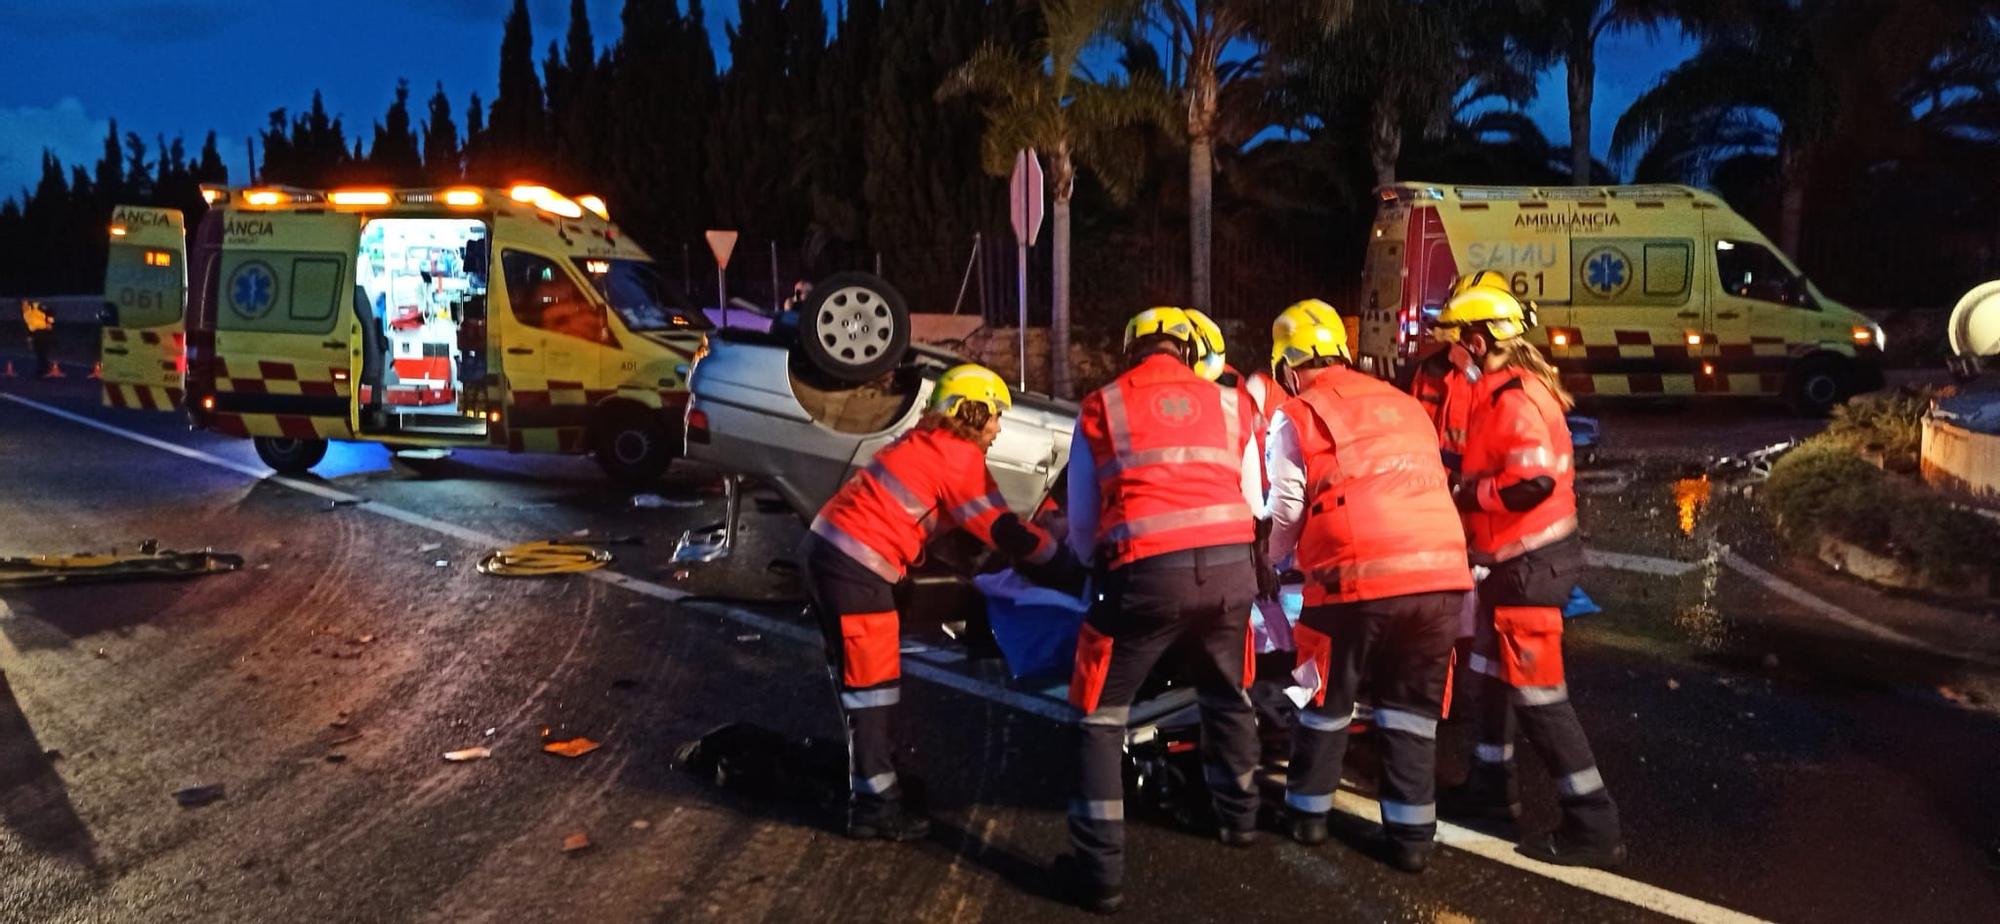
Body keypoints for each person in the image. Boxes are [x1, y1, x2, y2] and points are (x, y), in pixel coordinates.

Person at [1055, 306, 1265, 915]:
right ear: (1191, 349)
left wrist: (1097, 566)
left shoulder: (1103, 406)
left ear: (1132, 352)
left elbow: (1085, 526)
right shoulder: (1232, 403)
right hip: (1230, 574)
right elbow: (1253, 502)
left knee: (1100, 715)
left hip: (1147, 576)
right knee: (1227, 695)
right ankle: (1240, 820)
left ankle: (1100, 873)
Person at [802, 363, 1058, 841]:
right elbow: (1001, 531)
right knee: (872, 686)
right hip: (856, 569)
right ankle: (875, 805)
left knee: (857, 683)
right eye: (995, 415)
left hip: (827, 553)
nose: (999, 428)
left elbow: (947, 531)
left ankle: (874, 775)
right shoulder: (957, 456)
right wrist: (1060, 554)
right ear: (970, 411)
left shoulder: (923, 444)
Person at [1261, 299, 1472, 872]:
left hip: (1357, 574)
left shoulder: (1298, 412)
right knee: (1409, 711)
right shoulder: (1404, 403)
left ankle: (1307, 817)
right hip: (1441, 575)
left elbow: (1285, 507)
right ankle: (1411, 843)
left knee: (1324, 695)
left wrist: (1272, 561)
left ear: (1288, 367)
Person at [1431, 286, 1626, 868]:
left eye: (1455, 344)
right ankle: (1491, 790)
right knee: (1491, 678)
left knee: (1541, 700)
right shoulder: (1496, 392)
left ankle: (1593, 824)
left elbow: (1532, 483)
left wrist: (1470, 492)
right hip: (1512, 565)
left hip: (1531, 569)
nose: (1451, 356)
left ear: (1478, 339)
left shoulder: (1515, 398)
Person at [1412, 270, 1510, 475]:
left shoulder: (1514, 380)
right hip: (1441, 492)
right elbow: (1415, 437)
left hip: (1484, 496)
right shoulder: (1433, 371)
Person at [22, 299, 56, 377]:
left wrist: (49, 323)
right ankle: (43, 368)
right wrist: (29, 339)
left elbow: (50, 311)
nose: (24, 306)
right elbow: (29, 326)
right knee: (38, 352)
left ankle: (43, 369)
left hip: (43, 331)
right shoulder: (26, 313)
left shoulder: (37, 307)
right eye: (23, 305)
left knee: (42, 351)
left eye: (25, 304)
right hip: (35, 333)